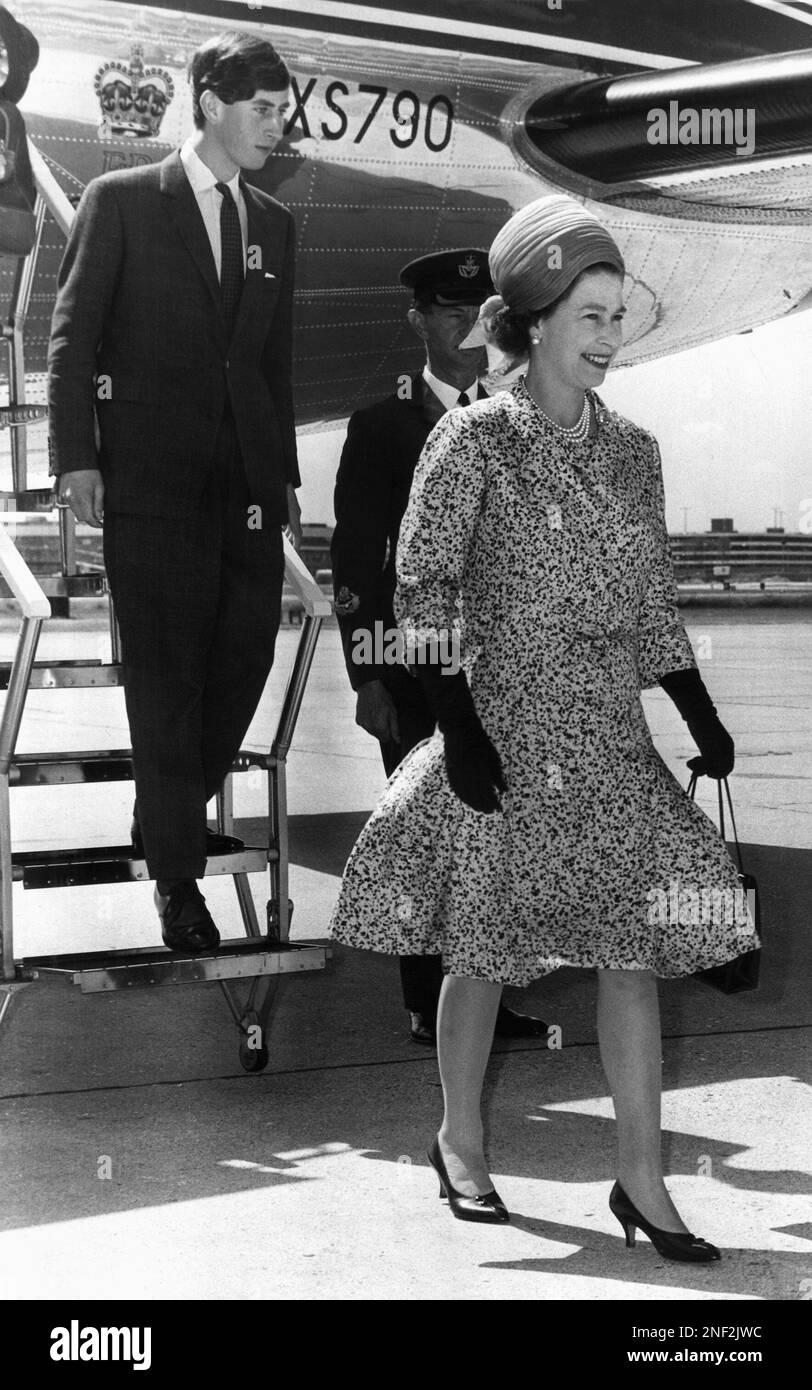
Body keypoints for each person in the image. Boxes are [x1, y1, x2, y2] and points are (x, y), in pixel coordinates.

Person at [331, 194, 759, 1259]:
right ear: (531, 316)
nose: (611, 339)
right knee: (478, 952)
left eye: (618, 317)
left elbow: (647, 603)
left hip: (608, 742)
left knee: (632, 952)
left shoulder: (634, 453)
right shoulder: (469, 442)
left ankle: (643, 1183)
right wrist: (458, 732)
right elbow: (420, 596)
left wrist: (696, 712)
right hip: (501, 737)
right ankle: (460, 1141)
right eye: (591, 316)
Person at [48, 31, 300, 953]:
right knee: (164, 685)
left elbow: (271, 363)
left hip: (244, 489)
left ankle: (164, 813)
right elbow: (73, 340)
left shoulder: (275, 221)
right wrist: (76, 457)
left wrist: (283, 480)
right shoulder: (119, 203)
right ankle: (178, 886)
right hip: (150, 485)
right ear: (209, 101)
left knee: (244, 661)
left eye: (282, 111)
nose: (279, 126)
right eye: (264, 110)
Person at [331, 249, 548, 1046]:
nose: (466, 329)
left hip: (506, 673)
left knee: (498, 838)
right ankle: (427, 1003)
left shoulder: (523, 417)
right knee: (429, 839)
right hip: (414, 673)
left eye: (478, 315)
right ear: (419, 320)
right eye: (449, 314)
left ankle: (489, 1000)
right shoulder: (382, 426)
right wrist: (367, 673)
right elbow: (357, 561)